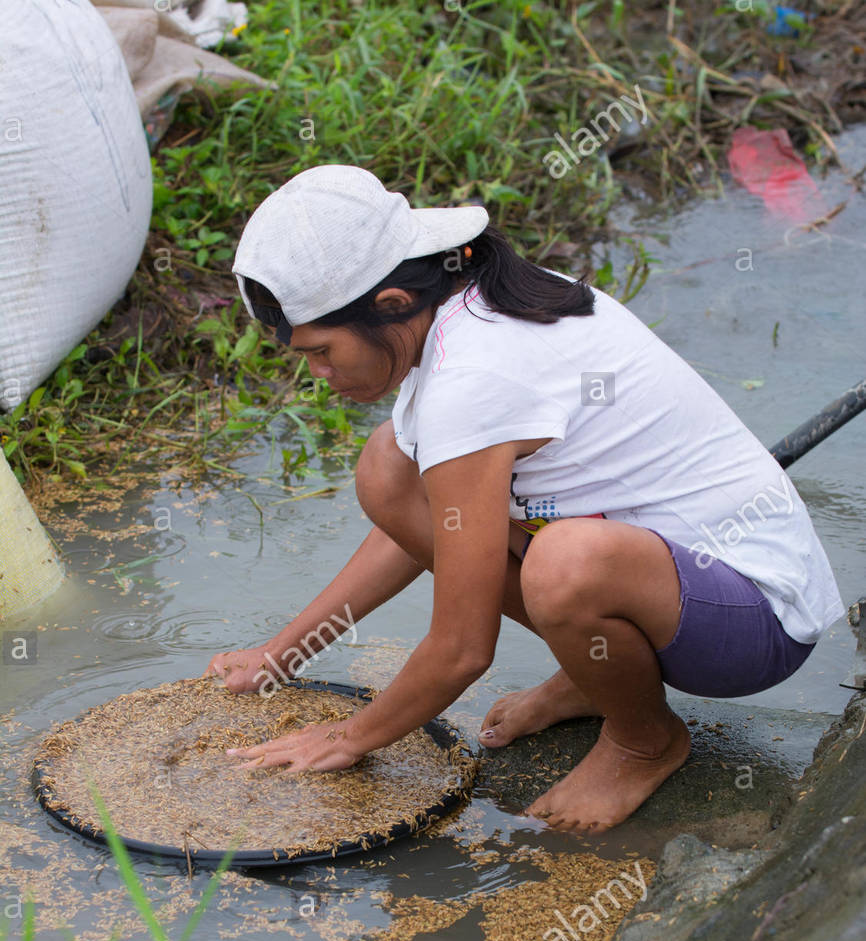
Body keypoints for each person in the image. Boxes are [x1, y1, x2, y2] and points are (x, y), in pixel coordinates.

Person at [204, 164, 845, 834]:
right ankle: (597, 673)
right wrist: (284, 653)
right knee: (387, 468)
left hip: (752, 621)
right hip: (660, 578)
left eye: (322, 350)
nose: (318, 374)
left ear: (392, 303)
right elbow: (423, 525)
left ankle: (643, 740)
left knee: (564, 565)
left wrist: (349, 738)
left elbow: (461, 647)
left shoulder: (473, 377)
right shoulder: (457, 311)